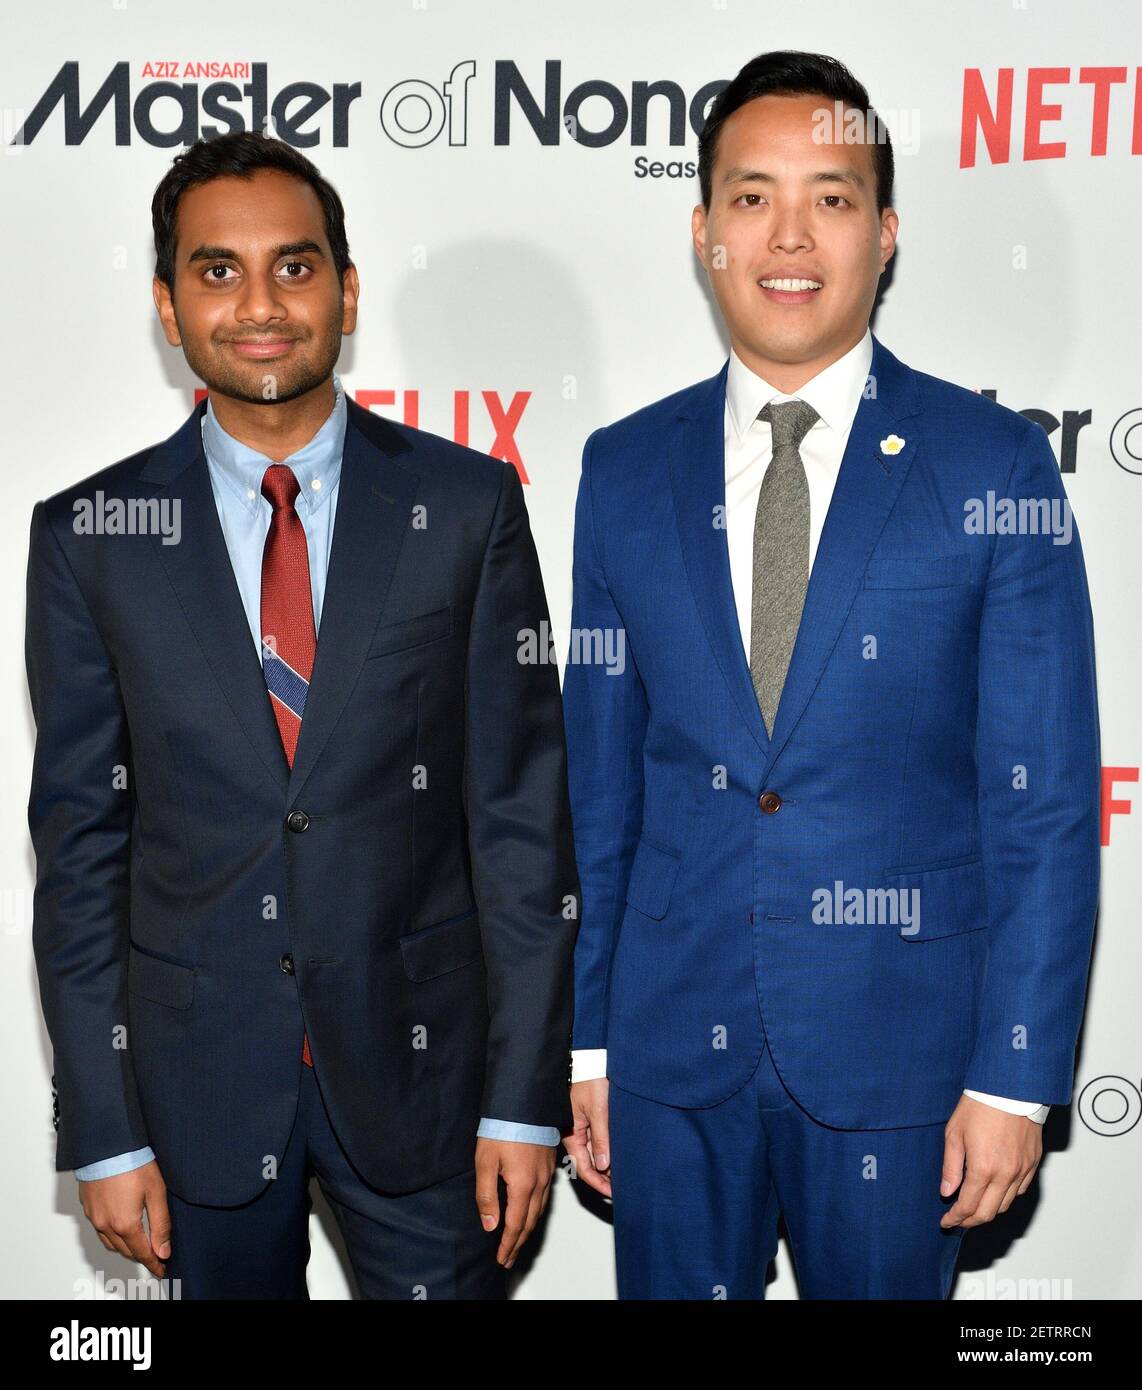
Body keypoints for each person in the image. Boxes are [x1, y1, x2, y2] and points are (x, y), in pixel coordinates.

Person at [561, 50, 1100, 1299]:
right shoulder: (623, 470)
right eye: (750, 197)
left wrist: (1012, 1075)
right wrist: (585, 1042)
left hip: (902, 1060)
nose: (787, 235)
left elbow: (1042, 805)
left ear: (886, 232)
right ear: (702, 231)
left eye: (831, 196)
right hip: (663, 1056)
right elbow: (596, 798)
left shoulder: (993, 467)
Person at [26, 130, 578, 1300]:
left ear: (346, 288)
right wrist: (106, 1126)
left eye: (295, 264)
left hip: (429, 1088)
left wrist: (522, 1100)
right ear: (168, 309)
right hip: (197, 1090)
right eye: (216, 271)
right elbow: (80, 855)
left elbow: (522, 827)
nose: (261, 304)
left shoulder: (463, 505)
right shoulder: (89, 539)